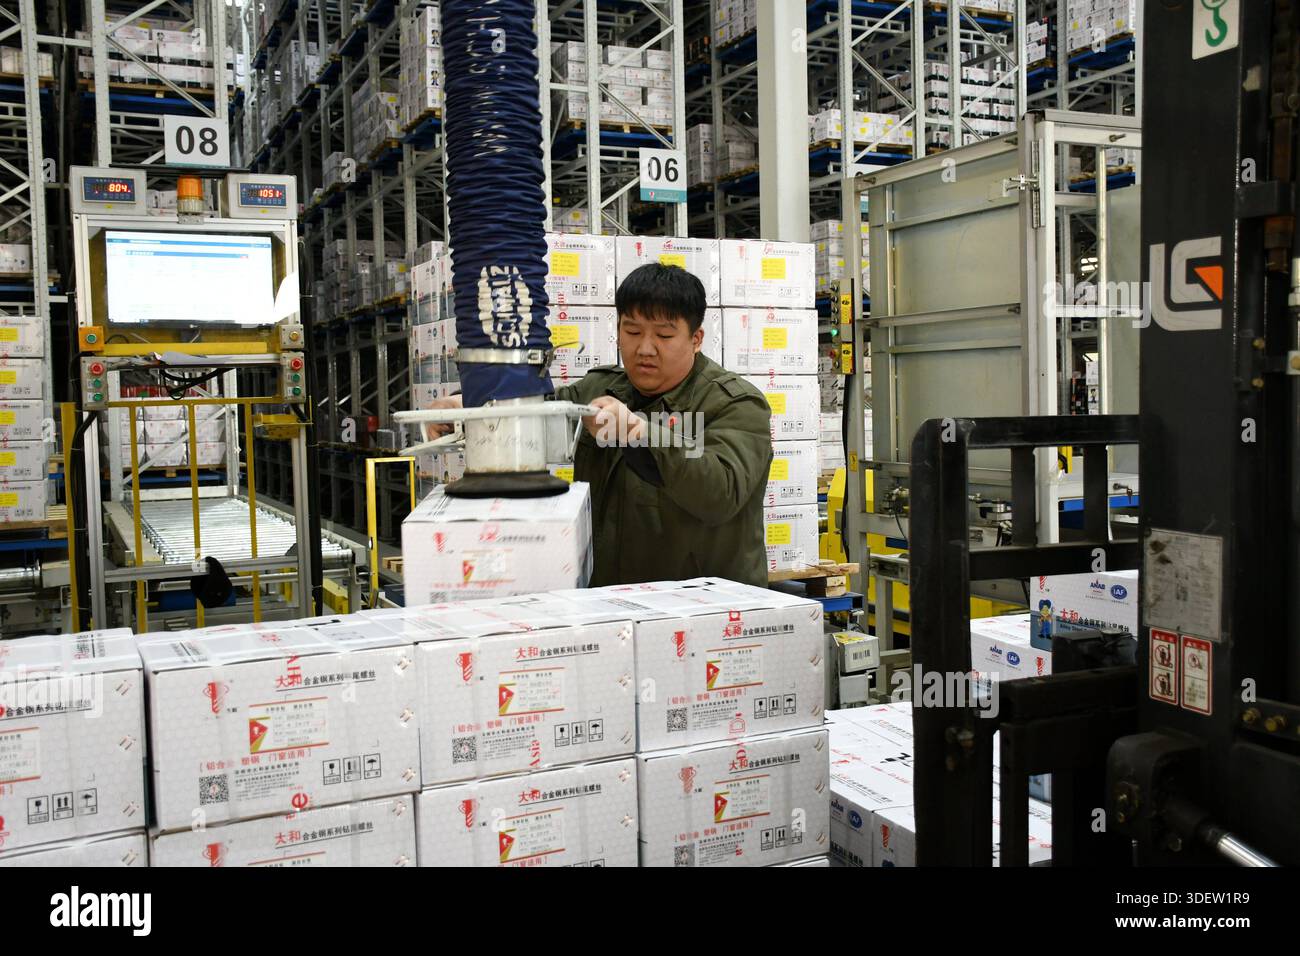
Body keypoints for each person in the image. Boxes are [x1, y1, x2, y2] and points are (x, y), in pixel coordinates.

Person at [428, 263, 773, 587]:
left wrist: (641, 433)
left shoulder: (734, 404)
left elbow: (720, 492)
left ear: (696, 339)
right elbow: (534, 411)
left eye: (664, 336)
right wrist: (467, 406)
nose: (645, 348)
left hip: (704, 610)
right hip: (610, 605)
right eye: (632, 331)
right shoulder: (599, 389)